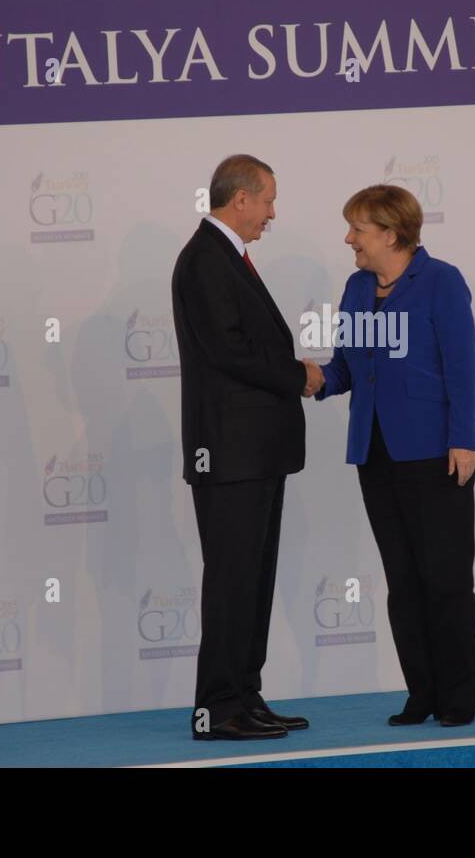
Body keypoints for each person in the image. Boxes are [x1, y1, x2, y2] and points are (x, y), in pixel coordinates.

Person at [304, 184, 475, 726]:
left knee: (446, 580)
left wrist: (463, 438)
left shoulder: (442, 282)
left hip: (435, 452)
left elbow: (462, 367)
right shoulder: (359, 288)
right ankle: (421, 694)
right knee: (404, 582)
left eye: (357, 229)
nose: (348, 239)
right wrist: (310, 378)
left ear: (390, 232)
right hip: (375, 454)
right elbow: (348, 368)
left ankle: (458, 698)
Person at [171, 154, 321, 741]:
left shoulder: (222, 257)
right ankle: (216, 708)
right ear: (240, 199)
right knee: (233, 581)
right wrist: (297, 375)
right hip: (229, 456)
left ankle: (244, 696)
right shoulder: (205, 259)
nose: (272, 214)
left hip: (253, 454)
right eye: (268, 201)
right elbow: (231, 352)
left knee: (252, 581)